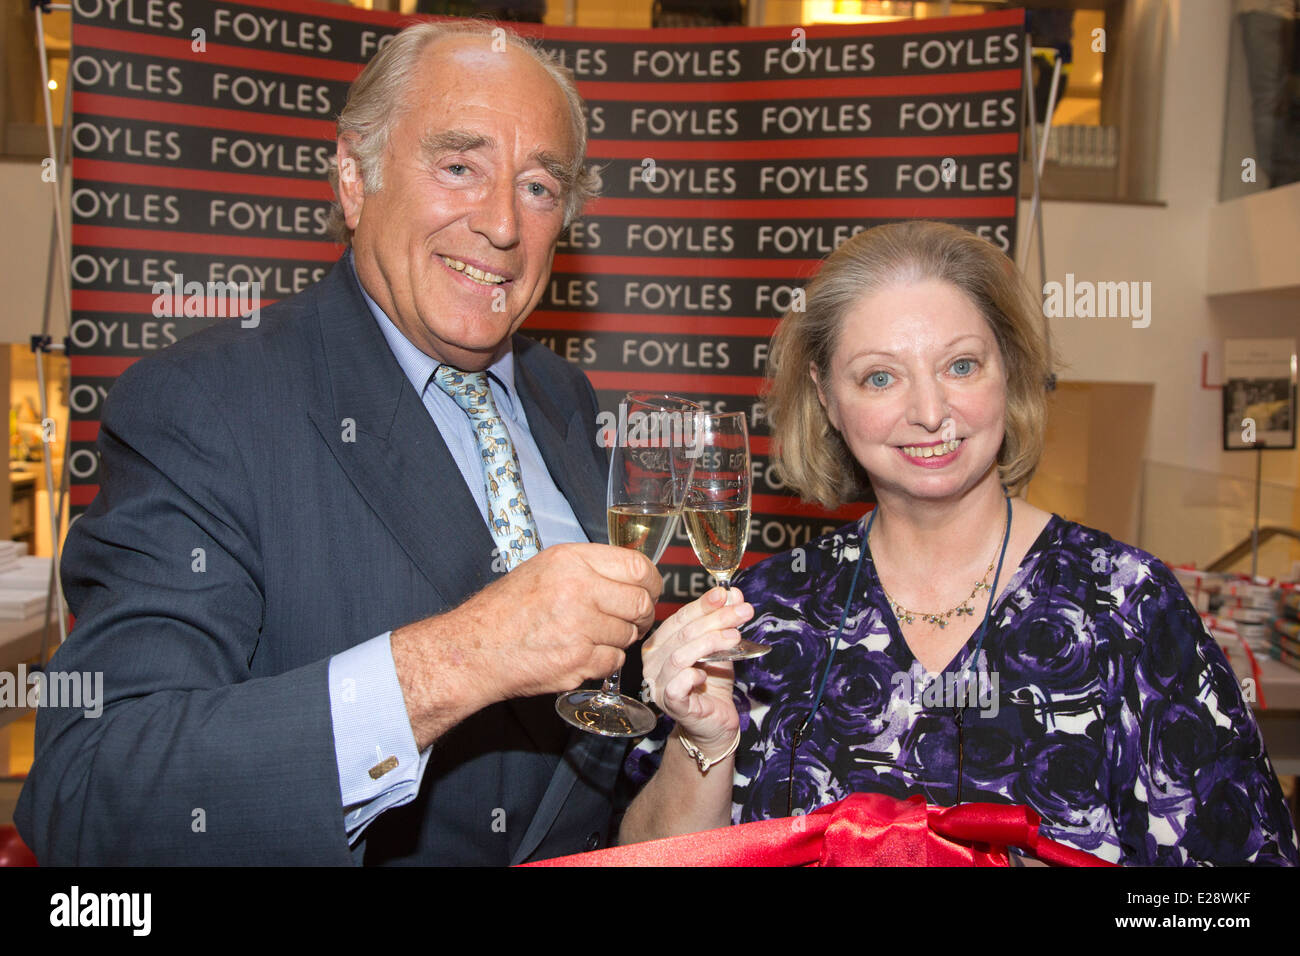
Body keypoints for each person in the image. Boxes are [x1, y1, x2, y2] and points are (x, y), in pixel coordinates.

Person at [15, 21, 663, 865]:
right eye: (459, 166)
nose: (503, 224)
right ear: (355, 181)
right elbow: (90, 789)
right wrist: (461, 658)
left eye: (539, 186)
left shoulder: (562, 397)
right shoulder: (207, 405)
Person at [621, 221, 1300, 866]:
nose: (928, 411)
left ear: (1009, 369)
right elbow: (644, 859)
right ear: (827, 398)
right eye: (880, 376)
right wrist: (699, 742)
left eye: (962, 365)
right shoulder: (764, 614)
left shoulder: (1127, 606)